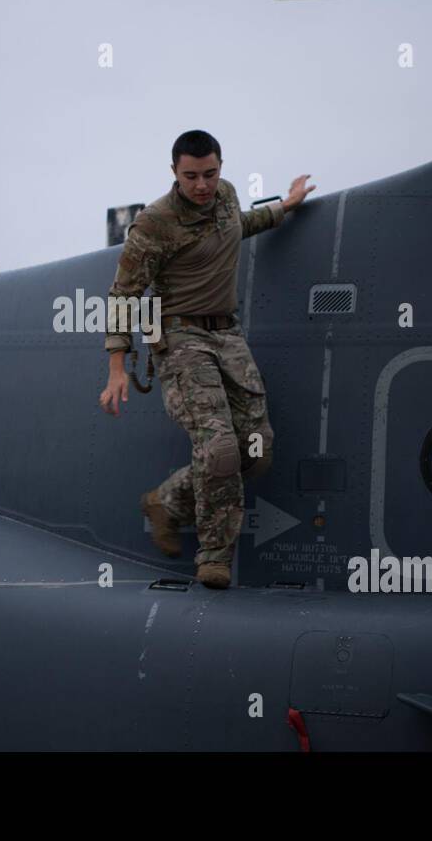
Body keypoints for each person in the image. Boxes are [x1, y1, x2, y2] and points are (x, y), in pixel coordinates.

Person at [99, 130, 313, 588]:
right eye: (191, 176)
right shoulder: (154, 223)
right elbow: (122, 296)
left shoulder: (226, 196)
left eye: (210, 174)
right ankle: (214, 558)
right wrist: (117, 366)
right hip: (180, 339)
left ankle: (167, 500)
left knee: (256, 452)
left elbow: (240, 224)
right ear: (174, 173)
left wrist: (286, 206)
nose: (202, 185)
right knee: (218, 450)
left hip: (227, 335)